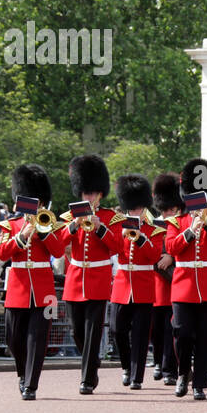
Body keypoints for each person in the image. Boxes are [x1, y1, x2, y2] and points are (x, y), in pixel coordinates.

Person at [0, 164, 71, 399]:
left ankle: (31, 385)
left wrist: (43, 231)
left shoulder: (50, 223)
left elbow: (58, 252)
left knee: (38, 338)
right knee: (14, 338)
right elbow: (1, 254)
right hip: (17, 289)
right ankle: (22, 374)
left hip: (44, 291)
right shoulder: (10, 225)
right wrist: (22, 235)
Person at [167, 158, 207, 400]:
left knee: (206, 337)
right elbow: (172, 248)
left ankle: (200, 385)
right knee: (181, 333)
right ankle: (184, 374)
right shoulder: (177, 222)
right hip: (183, 287)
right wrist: (191, 230)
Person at [61, 154, 119, 395]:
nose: (89, 197)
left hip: (98, 279)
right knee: (77, 331)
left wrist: (100, 228)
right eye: (85, 193)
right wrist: (75, 225)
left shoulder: (110, 217)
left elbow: (118, 247)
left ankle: (86, 378)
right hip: (75, 279)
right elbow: (58, 244)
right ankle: (92, 361)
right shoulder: (69, 217)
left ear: (100, 194)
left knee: (94, 329)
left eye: (93, 193)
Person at [109, 175, 164, 390]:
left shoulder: (155, 229)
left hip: (143, 285)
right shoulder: (118, 225)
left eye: (138, 209)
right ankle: (126, 366)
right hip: (122, 283)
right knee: (117, 329)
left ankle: (137, 377)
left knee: (141, 335)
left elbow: (153, 256)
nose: (134, 212)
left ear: (144, 208)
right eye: (131, 209)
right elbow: (112, 248)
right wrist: (121, 235)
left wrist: (140, 237)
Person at [149, 173, 182, 386]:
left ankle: (170, 368)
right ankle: (159, 361)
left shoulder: (181, 224)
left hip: (175, 283)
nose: (169, 212)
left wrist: (171, 255)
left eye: (172, 209)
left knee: (172, 328)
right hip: (156, 284)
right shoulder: (154, 224)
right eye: (166, 209)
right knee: (156, 329)